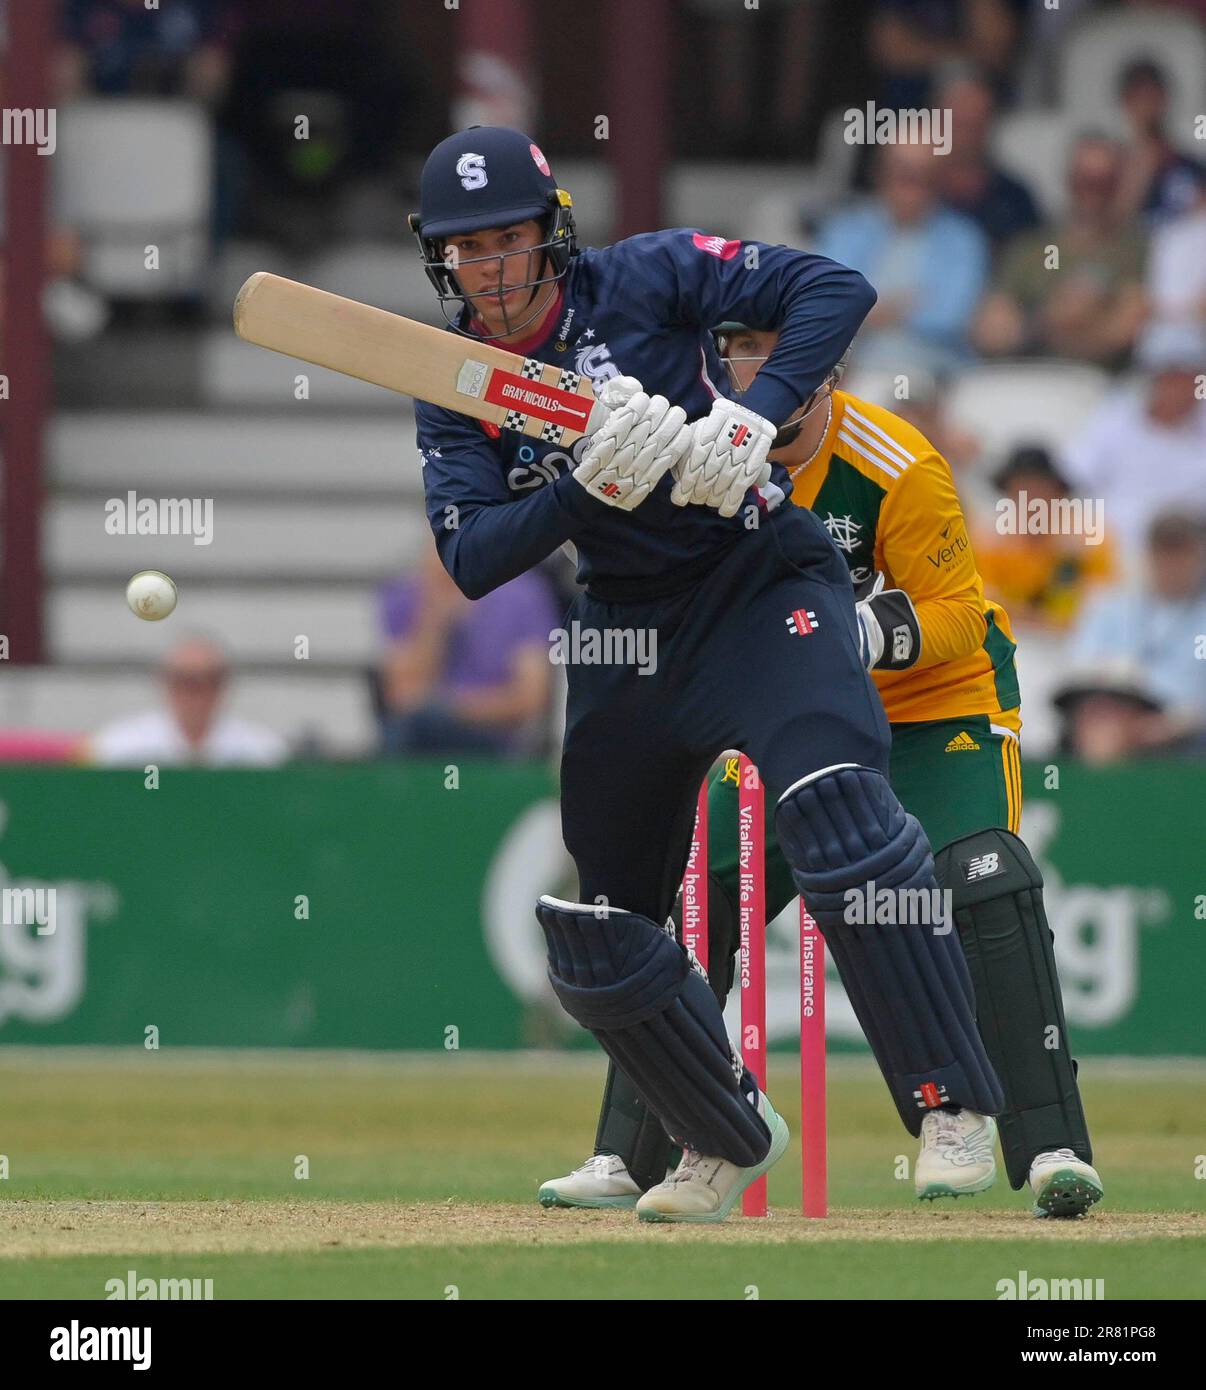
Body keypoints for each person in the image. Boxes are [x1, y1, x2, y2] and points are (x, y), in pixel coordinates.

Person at [412, 125, 1004, 1223]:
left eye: (509, 240)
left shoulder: (647, 273)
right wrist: (583, 493)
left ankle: (952, 1106)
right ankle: (717, 1136)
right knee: (608, 929)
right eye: (467, 249)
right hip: (626, 630)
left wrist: (750, 412)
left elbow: (836, 285)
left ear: (552, 235)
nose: (492, 270)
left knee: (839, 816)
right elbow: (474, 555)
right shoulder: (458, 380)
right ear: (439, 260)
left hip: (758, 584)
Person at [541, 324, 1103, 1220]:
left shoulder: (894, 462)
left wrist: (857, 635)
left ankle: (1042, 1146)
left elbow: (960, 611)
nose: (755, 368)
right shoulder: (696, 458)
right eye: (738, 346)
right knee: (695, 896)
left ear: (824, 368)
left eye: (775, 348)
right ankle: (649, 1150)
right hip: (793, 717)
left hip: (934, 710)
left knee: (980, 878)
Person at [817, 141, 989, 374]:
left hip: (935, 371)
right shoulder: (845, 229)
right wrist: (907, 304)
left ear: (939, 180)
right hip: (847, 366)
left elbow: (950, 317)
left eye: (923, 176)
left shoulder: (964, 239)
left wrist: (868, 309)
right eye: (902, 174)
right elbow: (825, 304)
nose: (911, 187)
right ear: (879, 173)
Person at [974, 134, 1147, 365]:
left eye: (1103, 182)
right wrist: (1048, 319)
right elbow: (991, 333)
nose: (1092, 192)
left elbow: (1125, 331)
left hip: (1106, 385)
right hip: (1030, 380)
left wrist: (1068, 326)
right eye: (1084, 180)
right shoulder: (1030, 249)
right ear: (1068, 180)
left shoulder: (1137, 250)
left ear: (1119, 185)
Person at [377, 543, 558, 757]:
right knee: (409, 729)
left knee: (422, 723)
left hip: (496, 737)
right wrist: (435, 618)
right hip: (425, 734)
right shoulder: (408, 595)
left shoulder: (524, 595)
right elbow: (403, 697)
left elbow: (530, 700)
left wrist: (452, 710)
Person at [1059, 325, 1206, 566]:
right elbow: (1068, 480)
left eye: (1186, 376)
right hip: (1113, 561)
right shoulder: (1114, 420)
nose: (1178, 387)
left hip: (1187, 563)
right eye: (1167, 376)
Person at [974, 445, 1116, 631]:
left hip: (1069, 643)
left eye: (1040, 488)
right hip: (1006, 639)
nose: (1031, 498)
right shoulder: (987, 539)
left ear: (1058, 493)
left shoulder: (1088, 538)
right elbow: (981, 601)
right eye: (1022, 488)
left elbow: (1103, 602)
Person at [89, 636, 287, 767]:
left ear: (223, 686)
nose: (194, 694)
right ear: (164, 683)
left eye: (206, 681)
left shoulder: (262, 752)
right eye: (183, 681)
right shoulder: (120, 747)